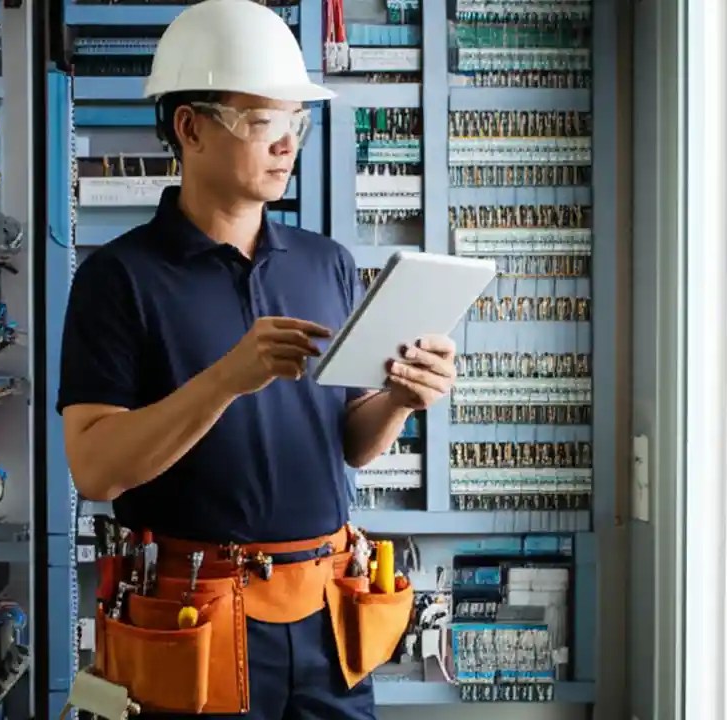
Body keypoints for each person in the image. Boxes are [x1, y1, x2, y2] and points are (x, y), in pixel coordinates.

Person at [55, 1, 455, 718]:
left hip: (327, 610)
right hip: (191, 617)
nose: (286, 144)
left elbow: (351, 447)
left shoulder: (324, 263)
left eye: (295, 123)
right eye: (263, 120)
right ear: (190, 126)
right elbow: (94, 466)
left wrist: (399, 397)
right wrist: (224, 382)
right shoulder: (119, 278)